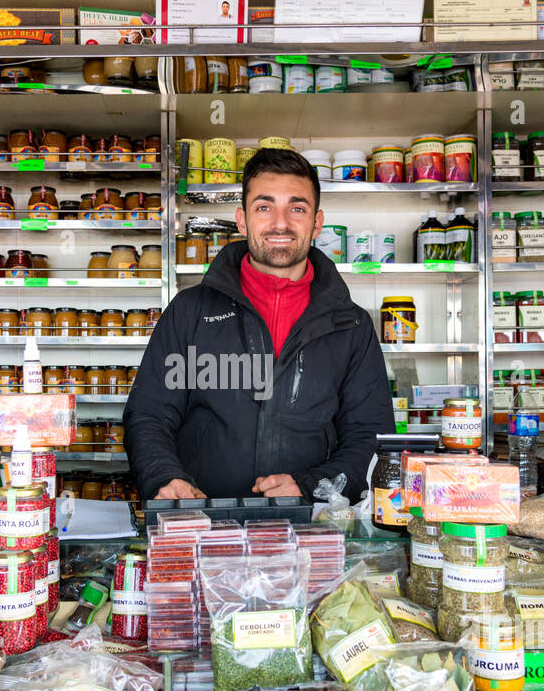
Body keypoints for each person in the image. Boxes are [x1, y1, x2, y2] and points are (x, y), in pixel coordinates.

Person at [125, 148, 393, 502]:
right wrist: (164, 477)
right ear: (242, 220)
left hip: (312, 526)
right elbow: (150, 414)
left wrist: (310, 485)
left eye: (297, 208)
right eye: (264, 207)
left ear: (317, 222)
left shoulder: (351, 325)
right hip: (203, 521)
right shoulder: (190, 313)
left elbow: (370, 436)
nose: (280, 223)